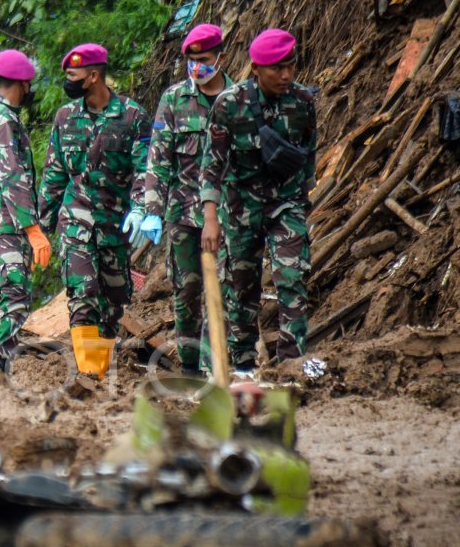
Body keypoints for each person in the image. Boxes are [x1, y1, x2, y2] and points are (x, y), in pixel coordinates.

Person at [201, 28, 316, 372]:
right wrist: (211, 218)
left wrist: (302, 203)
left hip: (286, 203)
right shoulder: (229, 105)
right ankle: (243, 363)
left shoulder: (302, 102)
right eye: (276, 68)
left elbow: (308, 155)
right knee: (241, 289)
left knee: (292, 277)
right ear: (255, 69)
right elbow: (212, 165)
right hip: (241, 207)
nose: (285, 75)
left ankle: (292, 363)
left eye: (290, 66)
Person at [39, 43, 151, 374]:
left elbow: (145, 170)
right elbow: (54, 174)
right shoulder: (65, 117)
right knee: (83, 292)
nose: (68, 81)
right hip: (75, 220)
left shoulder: (132, 116)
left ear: (93, 76)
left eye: (73, 75)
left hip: (115, 223)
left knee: (113, 303)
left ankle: (99, 373)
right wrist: (39, 228)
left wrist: (142, 208)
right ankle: (88, 374)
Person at [142, 23, 233, 375]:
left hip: (225, 215)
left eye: (204, 60)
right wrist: (152, 209)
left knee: (221, 292)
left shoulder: (238, 99)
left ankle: (214, 371)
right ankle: (190, 368)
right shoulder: (174, 99)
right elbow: (158, 160)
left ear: (221, 57)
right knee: (186, 293)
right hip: (182, 214)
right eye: (191, 61)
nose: (197, 67)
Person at [0, 50, 50, 367]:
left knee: (2, 294)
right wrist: (33, 229)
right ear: (22, 84)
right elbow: (12, 176)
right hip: (6, 220)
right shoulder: (3, 120)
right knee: (14, 294)